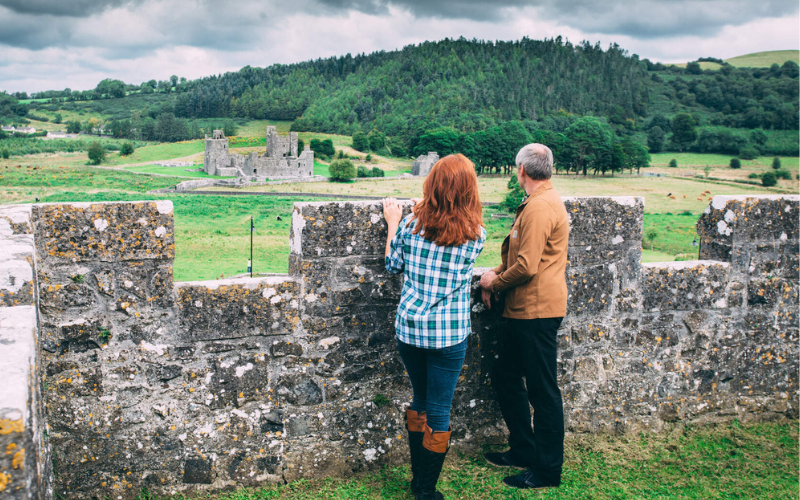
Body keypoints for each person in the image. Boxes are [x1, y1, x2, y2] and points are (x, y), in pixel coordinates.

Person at [383, 154, 486, 500]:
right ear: (469, 190)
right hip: (449, 334)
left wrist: (395, 221)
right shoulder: (477, 236)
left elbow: (392, 264)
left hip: (410, 330)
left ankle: (417, 476)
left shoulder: (412, 226)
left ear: (432, 185)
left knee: (420, 399)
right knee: (439, 409)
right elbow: (448, 227)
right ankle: (424, 488)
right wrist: (421, 211)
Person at [479, 143, 569, 490]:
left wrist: (495, 282)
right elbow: (521, 255)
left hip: (536, 311)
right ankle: (523, 449)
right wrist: (495, 276)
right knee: (505, 375)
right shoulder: (540, 202)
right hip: (524, 310)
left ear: (521, 171)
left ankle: (547, 470)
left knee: (543, 391)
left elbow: (528, 267)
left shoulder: (540, 207)